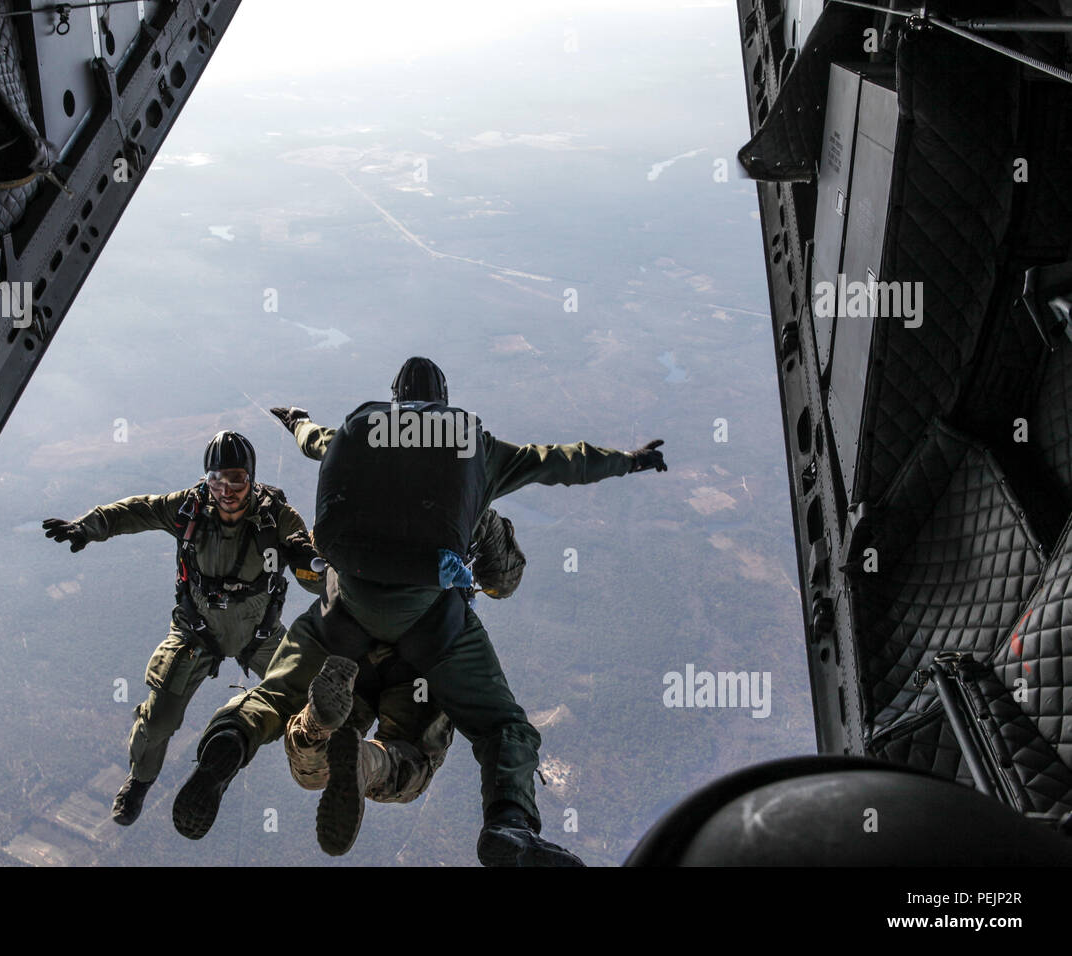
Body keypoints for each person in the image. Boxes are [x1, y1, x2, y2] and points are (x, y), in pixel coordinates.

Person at [172, 358, 668, 866]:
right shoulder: (477, 450)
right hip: (432, 632)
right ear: (443, 397)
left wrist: (294, 416)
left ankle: (240, 740)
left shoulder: (357, 432)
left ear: (394, 397)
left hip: (343, 615)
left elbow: (314, 438)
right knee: (500, 729)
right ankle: (505, 824)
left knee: (275, 697)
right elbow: (562, 462)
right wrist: (629, 460)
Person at [270, 402, 527, 856]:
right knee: (412, 762)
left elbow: (319, 442)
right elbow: (503, 582)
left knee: (313, 768)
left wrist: (296, 420)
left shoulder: (361, 473)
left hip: (350, 640)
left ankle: (315, 726)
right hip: (428, 653)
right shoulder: (469, 503)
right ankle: (367, 762)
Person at [41, 430, 323, 826]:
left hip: (259, 633)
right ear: (206, 481)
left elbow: (314, 574)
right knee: (157, 719)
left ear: (252, 480)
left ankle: (244, 757)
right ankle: (139, 781)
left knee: (310, 701)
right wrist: (88, 527)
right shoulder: (190, 509)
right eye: (216, 481)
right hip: (197, 632)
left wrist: (306, 560)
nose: (226, 491)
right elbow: (138, 510)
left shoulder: (277, 518)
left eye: (236, 481)